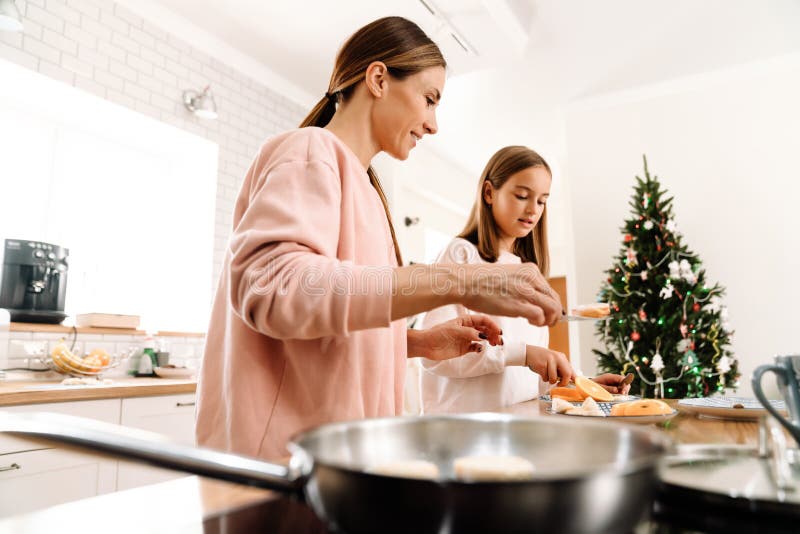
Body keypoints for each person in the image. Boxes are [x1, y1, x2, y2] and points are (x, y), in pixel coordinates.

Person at [195, 17, 563, 460]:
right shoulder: (309, 150)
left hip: (339, 461)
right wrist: (462, 281)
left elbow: (328, 317)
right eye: (429, 100)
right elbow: (276, 286)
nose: (433, 125)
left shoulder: (367, 191)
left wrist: (413, 343)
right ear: (378, 78)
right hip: (281, 464)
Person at [417, 146, 630, 414]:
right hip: (463, 429)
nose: (533, 209)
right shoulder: (461, 255)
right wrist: (525, 353)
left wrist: (581, 384)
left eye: (542, 201)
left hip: (514, 427)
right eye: (522, 196)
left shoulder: (527, 272)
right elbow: (435, 356)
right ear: (489, 193)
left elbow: (527, 377)